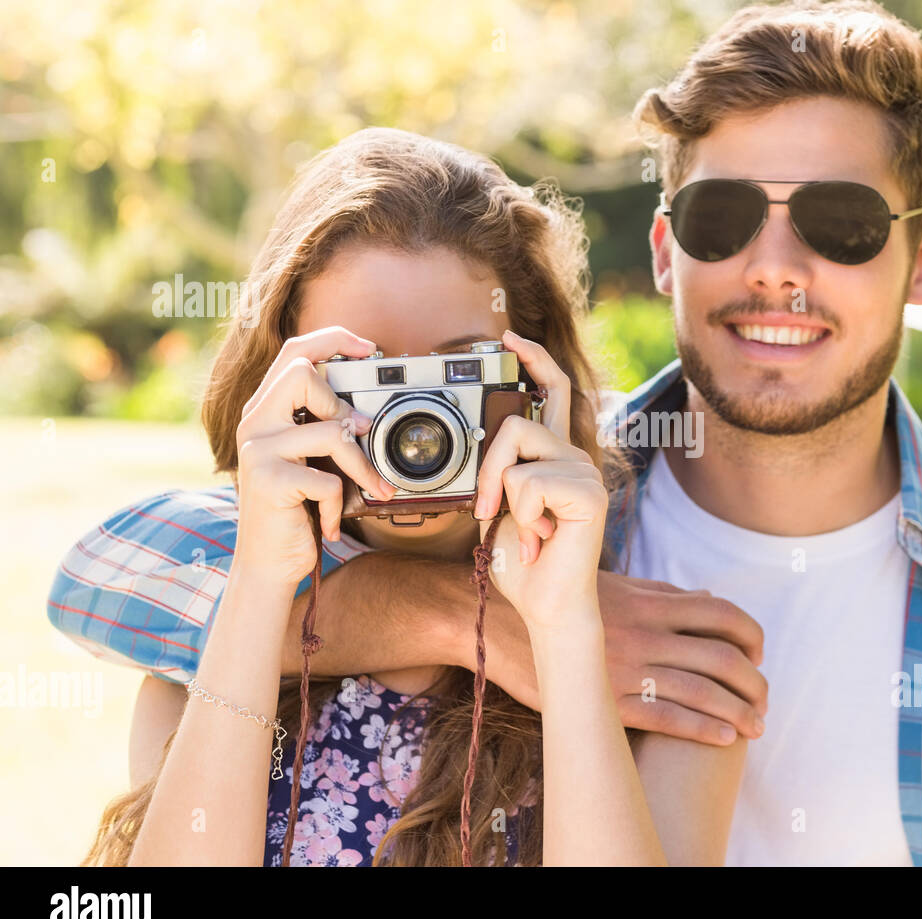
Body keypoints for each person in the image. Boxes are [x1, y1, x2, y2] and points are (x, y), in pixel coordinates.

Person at [52, 0, 922, 866]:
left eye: (839, 224)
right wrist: (471, 617)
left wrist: (556, 638)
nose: (775, 267)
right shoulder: (553, 512)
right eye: (722, 217)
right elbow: (103, 570)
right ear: (662, 249)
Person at [75, 127, 748, 866]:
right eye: (365, 373)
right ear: (285, 383)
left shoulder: (655, 682)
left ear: (532, 380)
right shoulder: (222, 660)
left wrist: (562, 631)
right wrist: (264, 583)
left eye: (457, 371)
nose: (414, 424)